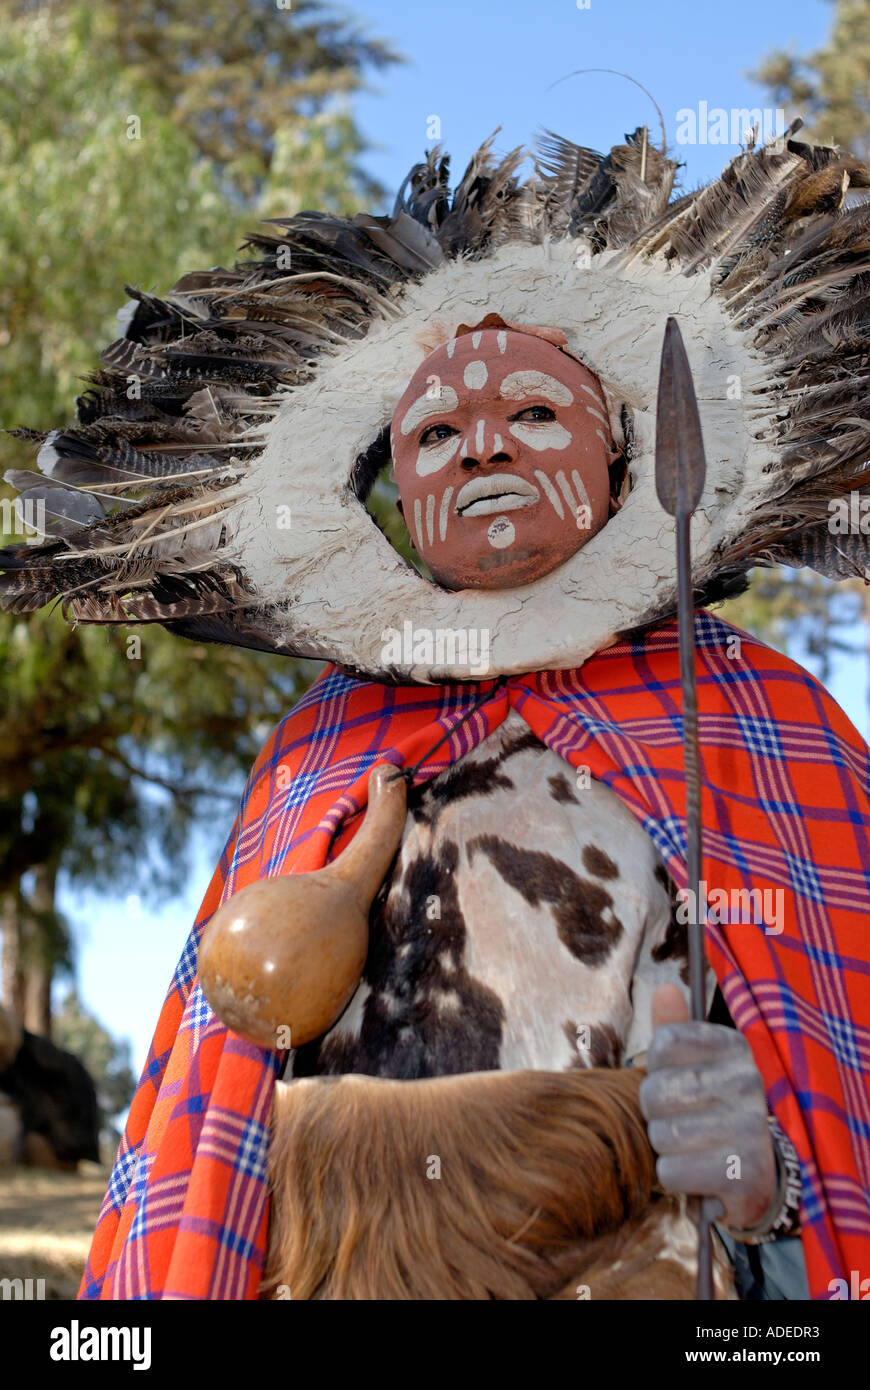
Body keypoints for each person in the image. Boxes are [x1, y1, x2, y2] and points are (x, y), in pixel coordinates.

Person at [2, 124, 868, 1301]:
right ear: (397, 494)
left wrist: (770, 1182)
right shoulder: (329, 744)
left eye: (536, 418)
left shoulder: (764, 719)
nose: (481, 452)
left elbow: (835, 1043)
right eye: (436, 437)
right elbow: (220, 1091)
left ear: (619, 454)